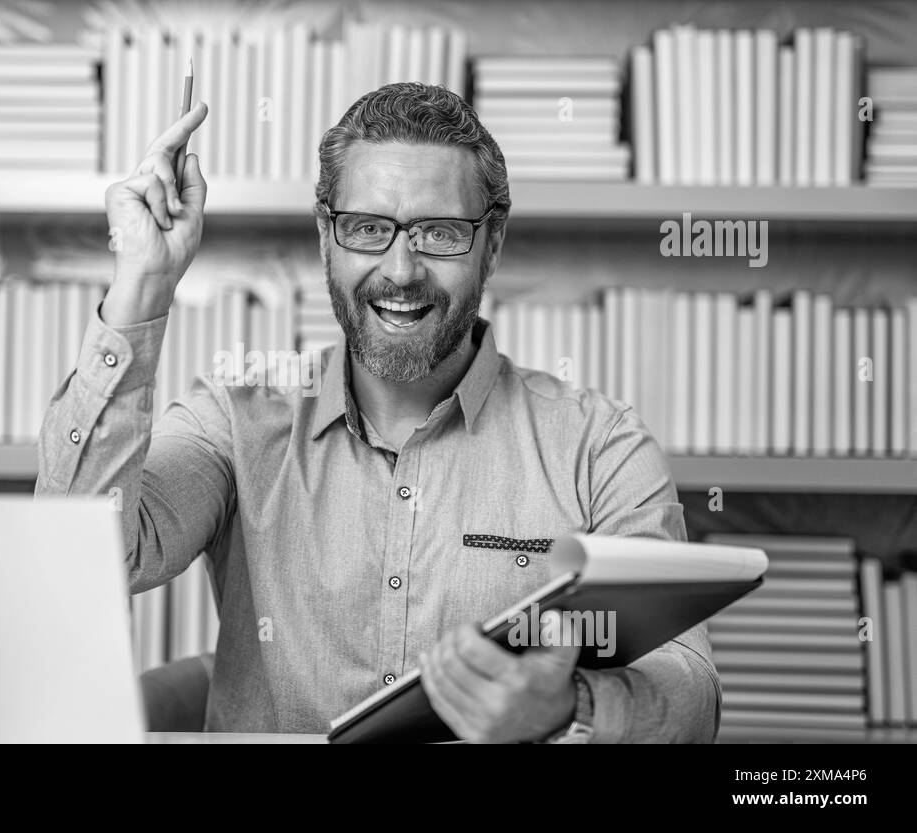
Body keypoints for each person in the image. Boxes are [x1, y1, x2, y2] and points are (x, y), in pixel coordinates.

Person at [35, 82, 719, 743]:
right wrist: (142, 286)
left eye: (440, 232)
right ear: (326, 235)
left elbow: (688, 693)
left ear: (493, 242)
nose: (400, 270)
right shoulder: (234, 422)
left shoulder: (601, 446)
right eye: (368, 228)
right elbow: (86, 559)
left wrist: (571, 706)